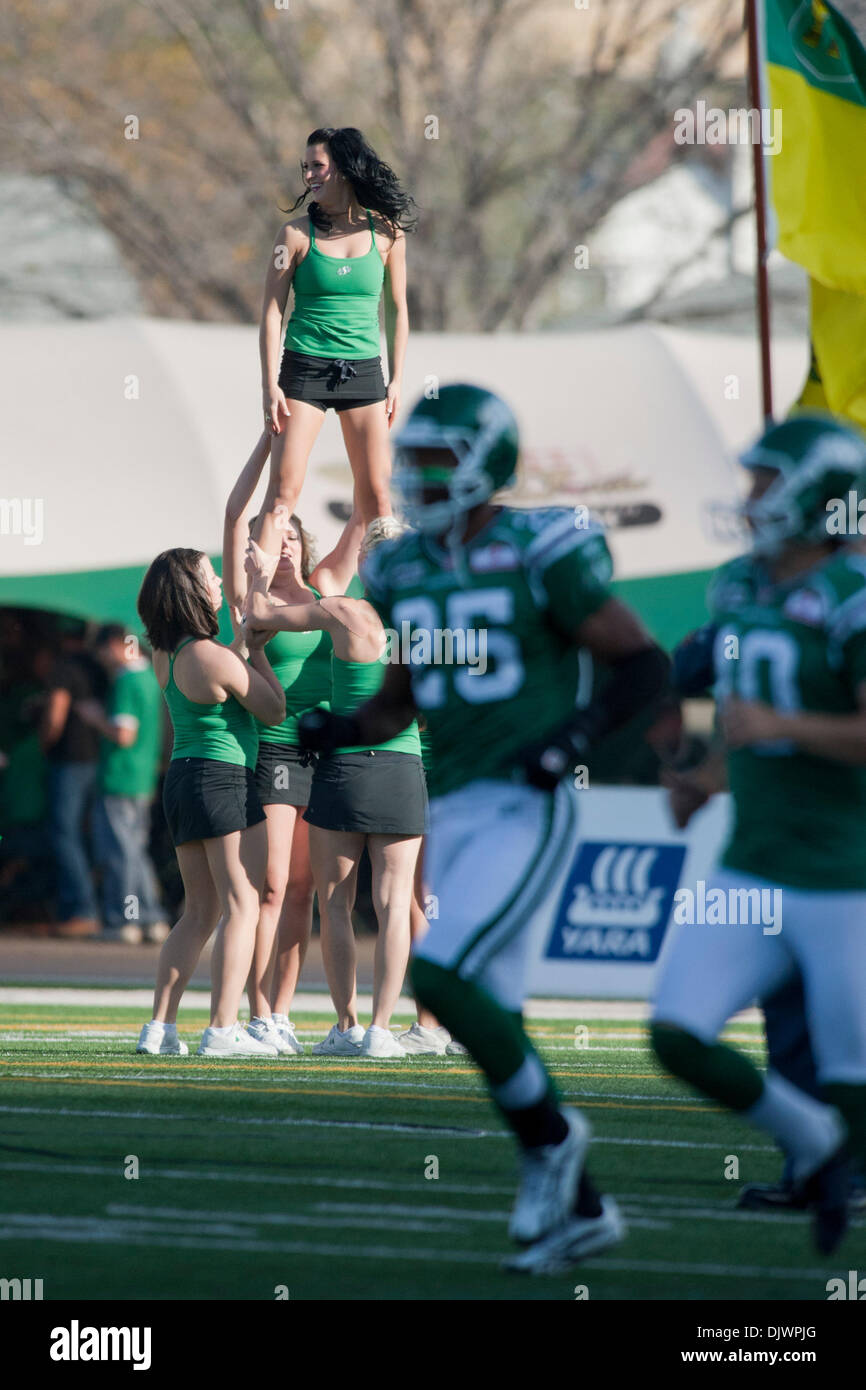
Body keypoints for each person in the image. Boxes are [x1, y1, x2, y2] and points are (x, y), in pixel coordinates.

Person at [297, 383, 670, 1272]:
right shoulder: (403, 567)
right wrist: (340, 730)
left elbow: (643, 664)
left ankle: (555, 1137)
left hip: (524, 800)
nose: (419, 478)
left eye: (436, 461)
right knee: (490, 1018)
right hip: (450, 799)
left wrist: (569, 741)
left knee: (442, 973)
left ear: (485, 466)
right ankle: (580, 1208)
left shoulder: (541, 549)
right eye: (412, 460)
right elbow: (399, 703)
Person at [651, 413, 866, 1255]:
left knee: (850, 1073)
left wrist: (784, 722)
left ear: (820, 497)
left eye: (769, 482)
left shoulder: (852, 601)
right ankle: (815, 1150)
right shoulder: (740, 588)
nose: (751, 499)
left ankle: (834, 1162)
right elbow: (745, 732)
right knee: (677, 1034)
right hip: (755, 864)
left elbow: (785, 723)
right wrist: (705, 780)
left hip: (845, 870)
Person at [246, 517, 426, 1058]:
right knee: (395, 904)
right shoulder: (430, 623)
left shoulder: (346, 610)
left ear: (369, 565)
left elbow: (261, 617)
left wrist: (256, 573)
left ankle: (347, 1025)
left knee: (336, 904)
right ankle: (380, 1030)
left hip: (346, 769)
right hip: (402, 766)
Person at [222, 430, 365, 1055]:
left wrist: (367, 427)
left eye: (289, 535)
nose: (281, 543)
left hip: (328, 753)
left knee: (309, 891)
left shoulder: (325, 584)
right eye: (271, 535)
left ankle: (281, 1010)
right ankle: (257, 1011)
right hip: (274, 751)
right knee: (273, 884)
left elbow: (366, 515)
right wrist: (272, 440)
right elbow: (233, 513)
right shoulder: (248, 598)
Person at [135, 548, 285, 1058]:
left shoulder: (167, 654)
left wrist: (242, 641)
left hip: (182, 780)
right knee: (242, 904)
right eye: (208, 574)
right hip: (223, 780)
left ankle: (160, 1027)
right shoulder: (211, 655)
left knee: (198, 911)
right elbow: (273, 708)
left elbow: (224, 671)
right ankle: (223, 1029)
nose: (218, 581)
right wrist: (258, 650)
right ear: (189, 589)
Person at [256, 126, 416, 560]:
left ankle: (386, 595)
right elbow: (273, 312)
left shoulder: (387, 233)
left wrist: (397, 379)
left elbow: (398, 309)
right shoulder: (292, 236)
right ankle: (256, 605)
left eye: (318, 166)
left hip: (363, 372)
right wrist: (271, 385)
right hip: (305, 369)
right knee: (283, 494)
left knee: (378, 500)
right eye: (305, 167)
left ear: (343, 169)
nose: (309, 175)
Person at [75, 624, 169, 945]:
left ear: (114, 646)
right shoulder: (149, 679)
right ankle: (150, 916)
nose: (102, 661)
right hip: (141, 777)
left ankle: (125, 919)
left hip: (120, 776)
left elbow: (123, 734)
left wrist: (94, 717)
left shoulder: (127, 680)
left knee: (120, 853)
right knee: (135, 851)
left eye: (102, 652)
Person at [40, 619, 107, 936]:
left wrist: (45, 742)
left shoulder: (64, 667)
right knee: (92, 834)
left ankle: (82, 910)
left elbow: (56, 712)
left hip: (70, 762)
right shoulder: (98, 666)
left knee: (65, 834)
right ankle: (101, 907)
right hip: (97, 759)